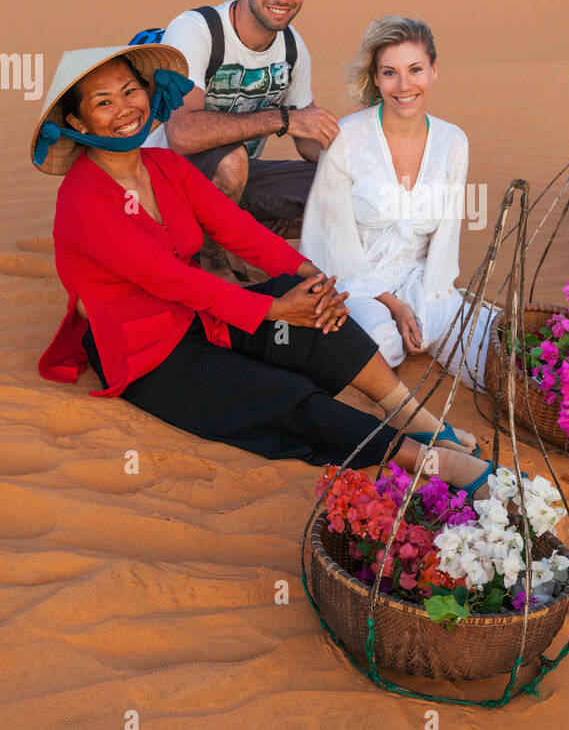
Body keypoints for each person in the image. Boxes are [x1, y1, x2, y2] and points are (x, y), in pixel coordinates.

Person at [31, 45, 493, 494]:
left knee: (311, 308)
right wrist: (274, 309)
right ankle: (435, 462)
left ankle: (420, 420)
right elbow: (170, 278)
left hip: (201, 314)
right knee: (280, 396)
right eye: (103, 102)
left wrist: (307, 273)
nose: (124, 109)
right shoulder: (83, 200)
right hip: (147, 351)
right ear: (77, 122)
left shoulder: (164, 165)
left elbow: (235, 227)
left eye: (130, 91)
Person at [300, 17, 494, 448]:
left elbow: (444, 239)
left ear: (434, 70)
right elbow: (330, 240)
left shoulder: (453, 141)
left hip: (419, 272)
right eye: (390, 72)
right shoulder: (347, 138)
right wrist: (394, 305)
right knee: (384, 345)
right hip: (355, 277)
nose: (404, 85)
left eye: (415, 69)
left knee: (478, 344)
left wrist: (430, 298)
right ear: (375, 77)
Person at [145, 0, 340, 277]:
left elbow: (309, 140)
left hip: (233, 188)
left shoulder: (293, 48)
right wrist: (281, 119)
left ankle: (241, 237)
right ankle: (210, 267)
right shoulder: (196, 30)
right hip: (162, 186)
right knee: (232, 162)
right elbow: (182, 133)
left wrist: (366, 157)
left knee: (337, 186)